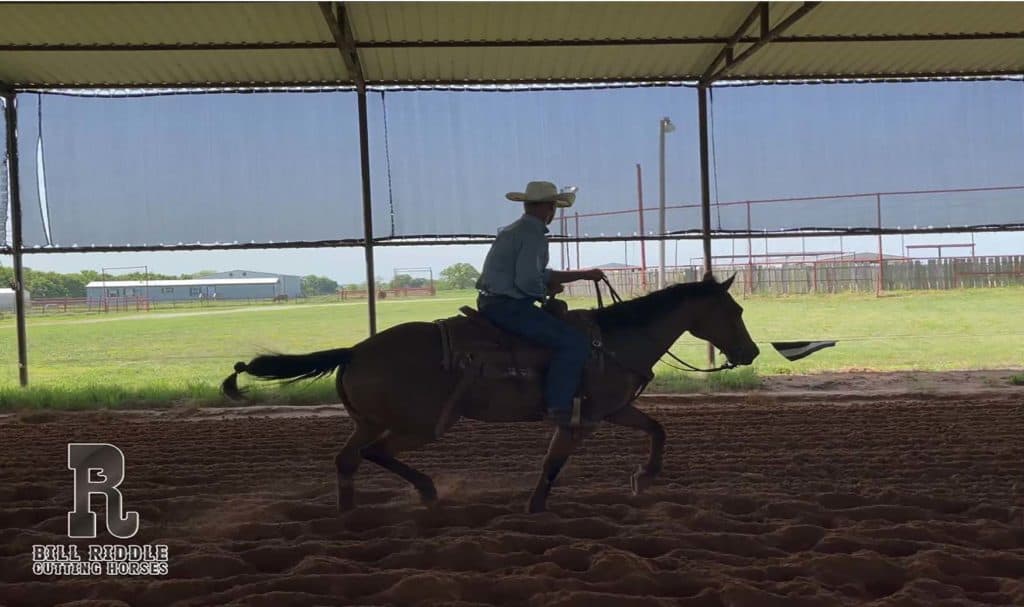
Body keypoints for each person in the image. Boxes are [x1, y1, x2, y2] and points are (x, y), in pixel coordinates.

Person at [475, 181, 606, 428]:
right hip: (509, 306)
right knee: (574, 342)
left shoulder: (514, 230)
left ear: (526, 204)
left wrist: (582, 274)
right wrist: (544, 291)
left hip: (494, 301)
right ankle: (558, 407)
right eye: (554, 206)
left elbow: (538, 273)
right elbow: (527, 279)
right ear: (550, 207)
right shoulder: (532, 234)